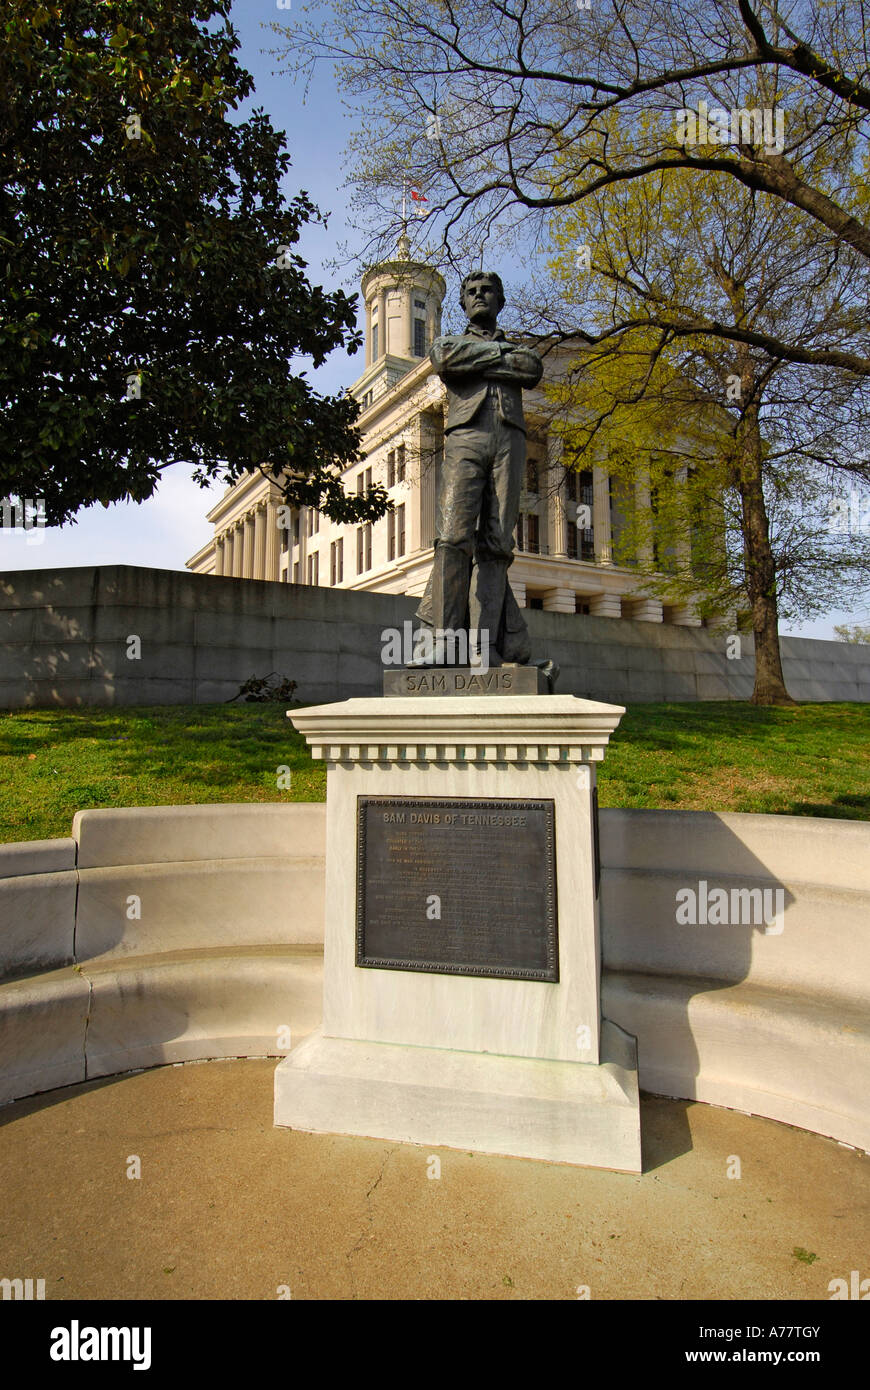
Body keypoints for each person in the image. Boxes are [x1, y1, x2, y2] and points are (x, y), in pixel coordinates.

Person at [415, 270, 543, 666]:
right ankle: (442, 638)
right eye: (471, 292)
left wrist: (483, 361)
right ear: (463, 303)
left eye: (487, 290)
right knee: (453, 538)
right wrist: (501, 358)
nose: (479, 295)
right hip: (465, 438)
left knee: (497, 545)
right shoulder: (450, 343)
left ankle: (482, 645)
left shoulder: (520, 350)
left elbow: (531, 370)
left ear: (500, 300)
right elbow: (444, 358)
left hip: (509, 439)